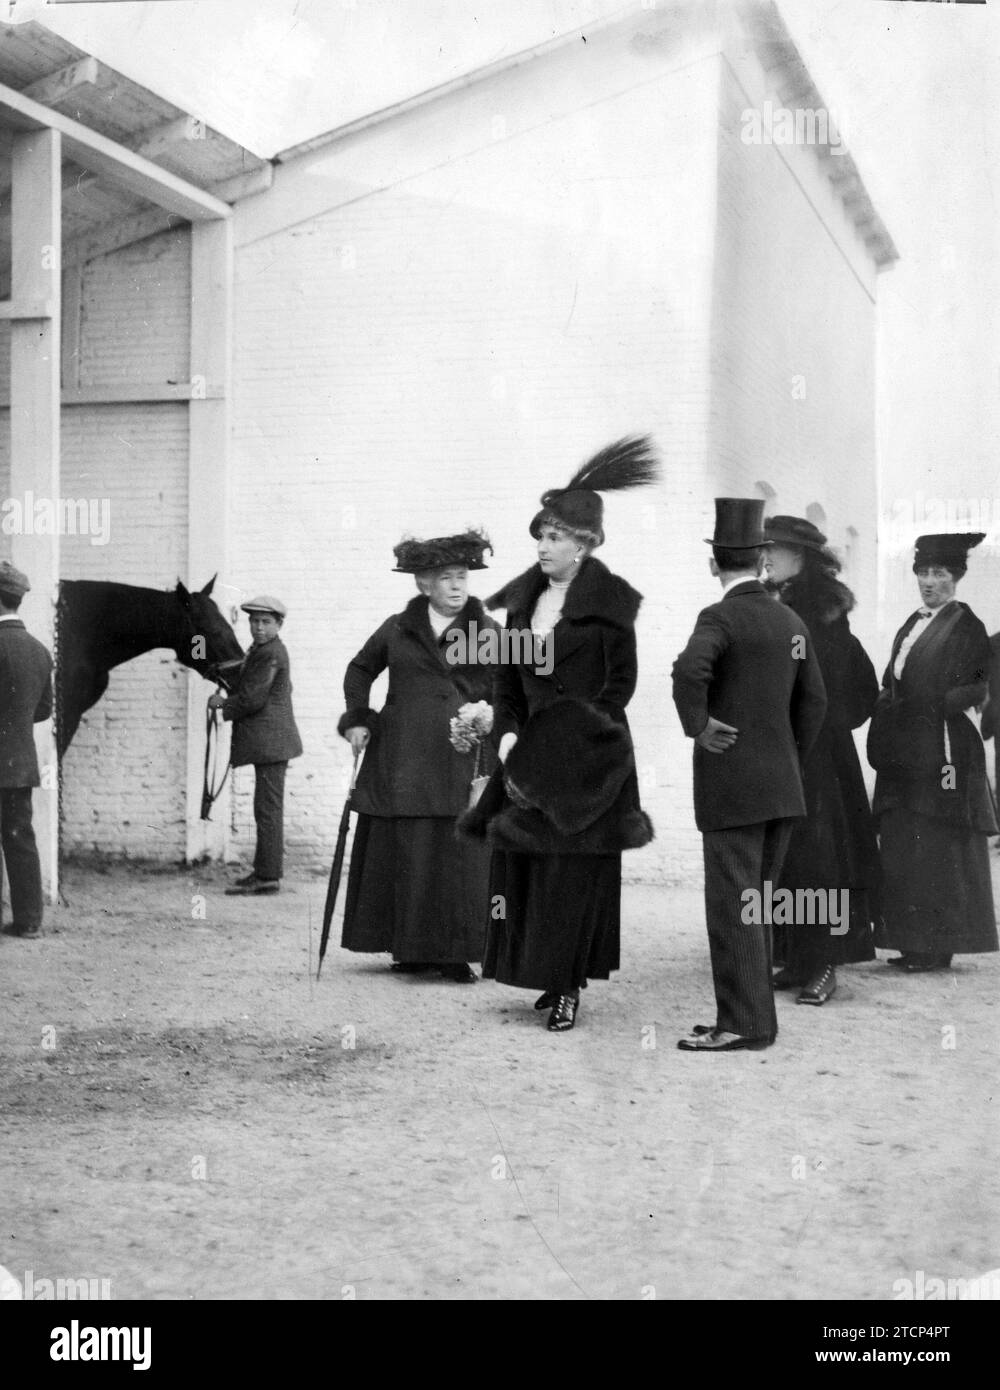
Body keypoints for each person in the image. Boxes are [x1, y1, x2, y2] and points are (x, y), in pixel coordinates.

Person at [462, 436, 658, 1032]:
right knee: (528, 869)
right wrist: (509, 732)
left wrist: (566, 740)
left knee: (574, 874)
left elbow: (617, 688)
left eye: (554, 537)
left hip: (588, 761)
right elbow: (508, 684)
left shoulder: (610, 608)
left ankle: (569, 983)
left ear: (586, 543)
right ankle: (543, 972)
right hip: (529, 759)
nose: (542, 547)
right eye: (540, 536)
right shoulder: (523, 608)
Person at [672, 499, 827, 1052]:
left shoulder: (719, 617)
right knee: (756, 906)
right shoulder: (790, 620)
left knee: (732, 909)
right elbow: (816, 702)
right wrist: (786, 754)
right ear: (761, 560)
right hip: (783, 789)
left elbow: (689, 669)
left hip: (733, 789)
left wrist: (699, 726)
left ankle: (740, 1024)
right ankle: (756, 1021)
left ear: (715, 564)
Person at [338, 530, 499, 982]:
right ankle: (408, 948)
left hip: (461, 758)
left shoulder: (488, 632)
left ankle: (454, 953)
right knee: (406, 851)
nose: (457, 586)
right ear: (423, 584)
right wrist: (357, 718)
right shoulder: (397, 628)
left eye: (462, 576)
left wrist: (492, 713)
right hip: (402, 756)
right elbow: (360, 669)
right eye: (446, 578)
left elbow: (518, 685)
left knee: (456, 856)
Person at [762, 515, 880, 1005]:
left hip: (818, 756)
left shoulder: (823, 611)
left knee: (820, 858)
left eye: (776, 549)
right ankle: (797, 959)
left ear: (802, 557)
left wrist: (815, 729)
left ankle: (825, 964)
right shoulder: (779, 601)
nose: (766, 556)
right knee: (790, 857)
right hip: (786, 748)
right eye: (764, 548)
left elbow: (838, 688)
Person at [867, 532, 998, 971]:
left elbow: (977, 687)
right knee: (906, 843)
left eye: (939, 573)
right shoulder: (912, 622)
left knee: (940, 844)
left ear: (956, 577)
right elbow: (893, 679)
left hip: (945, 752)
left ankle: (939, 944)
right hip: (907, 748)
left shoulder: (967, 626)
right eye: (923, 572)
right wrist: (888, 704)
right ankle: (911, 941)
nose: (929, 581)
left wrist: (930, 707)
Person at [209, 596, 303, 895]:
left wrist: (223, 704)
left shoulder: (270, 653)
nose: (259, 628)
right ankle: (264, 872)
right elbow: (251, 679)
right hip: (272, 743)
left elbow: (253, 698)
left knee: (268, 810)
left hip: (272, 744)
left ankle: (268, 876)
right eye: (254, 621)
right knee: (265, 809)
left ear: (279, 625)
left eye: (266, 622)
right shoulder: (262, 650)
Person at [0, 561, 53, 940]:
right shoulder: (39, 651)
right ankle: (29, 920)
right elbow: (44, 710)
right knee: (20, 838)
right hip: (20, 763)